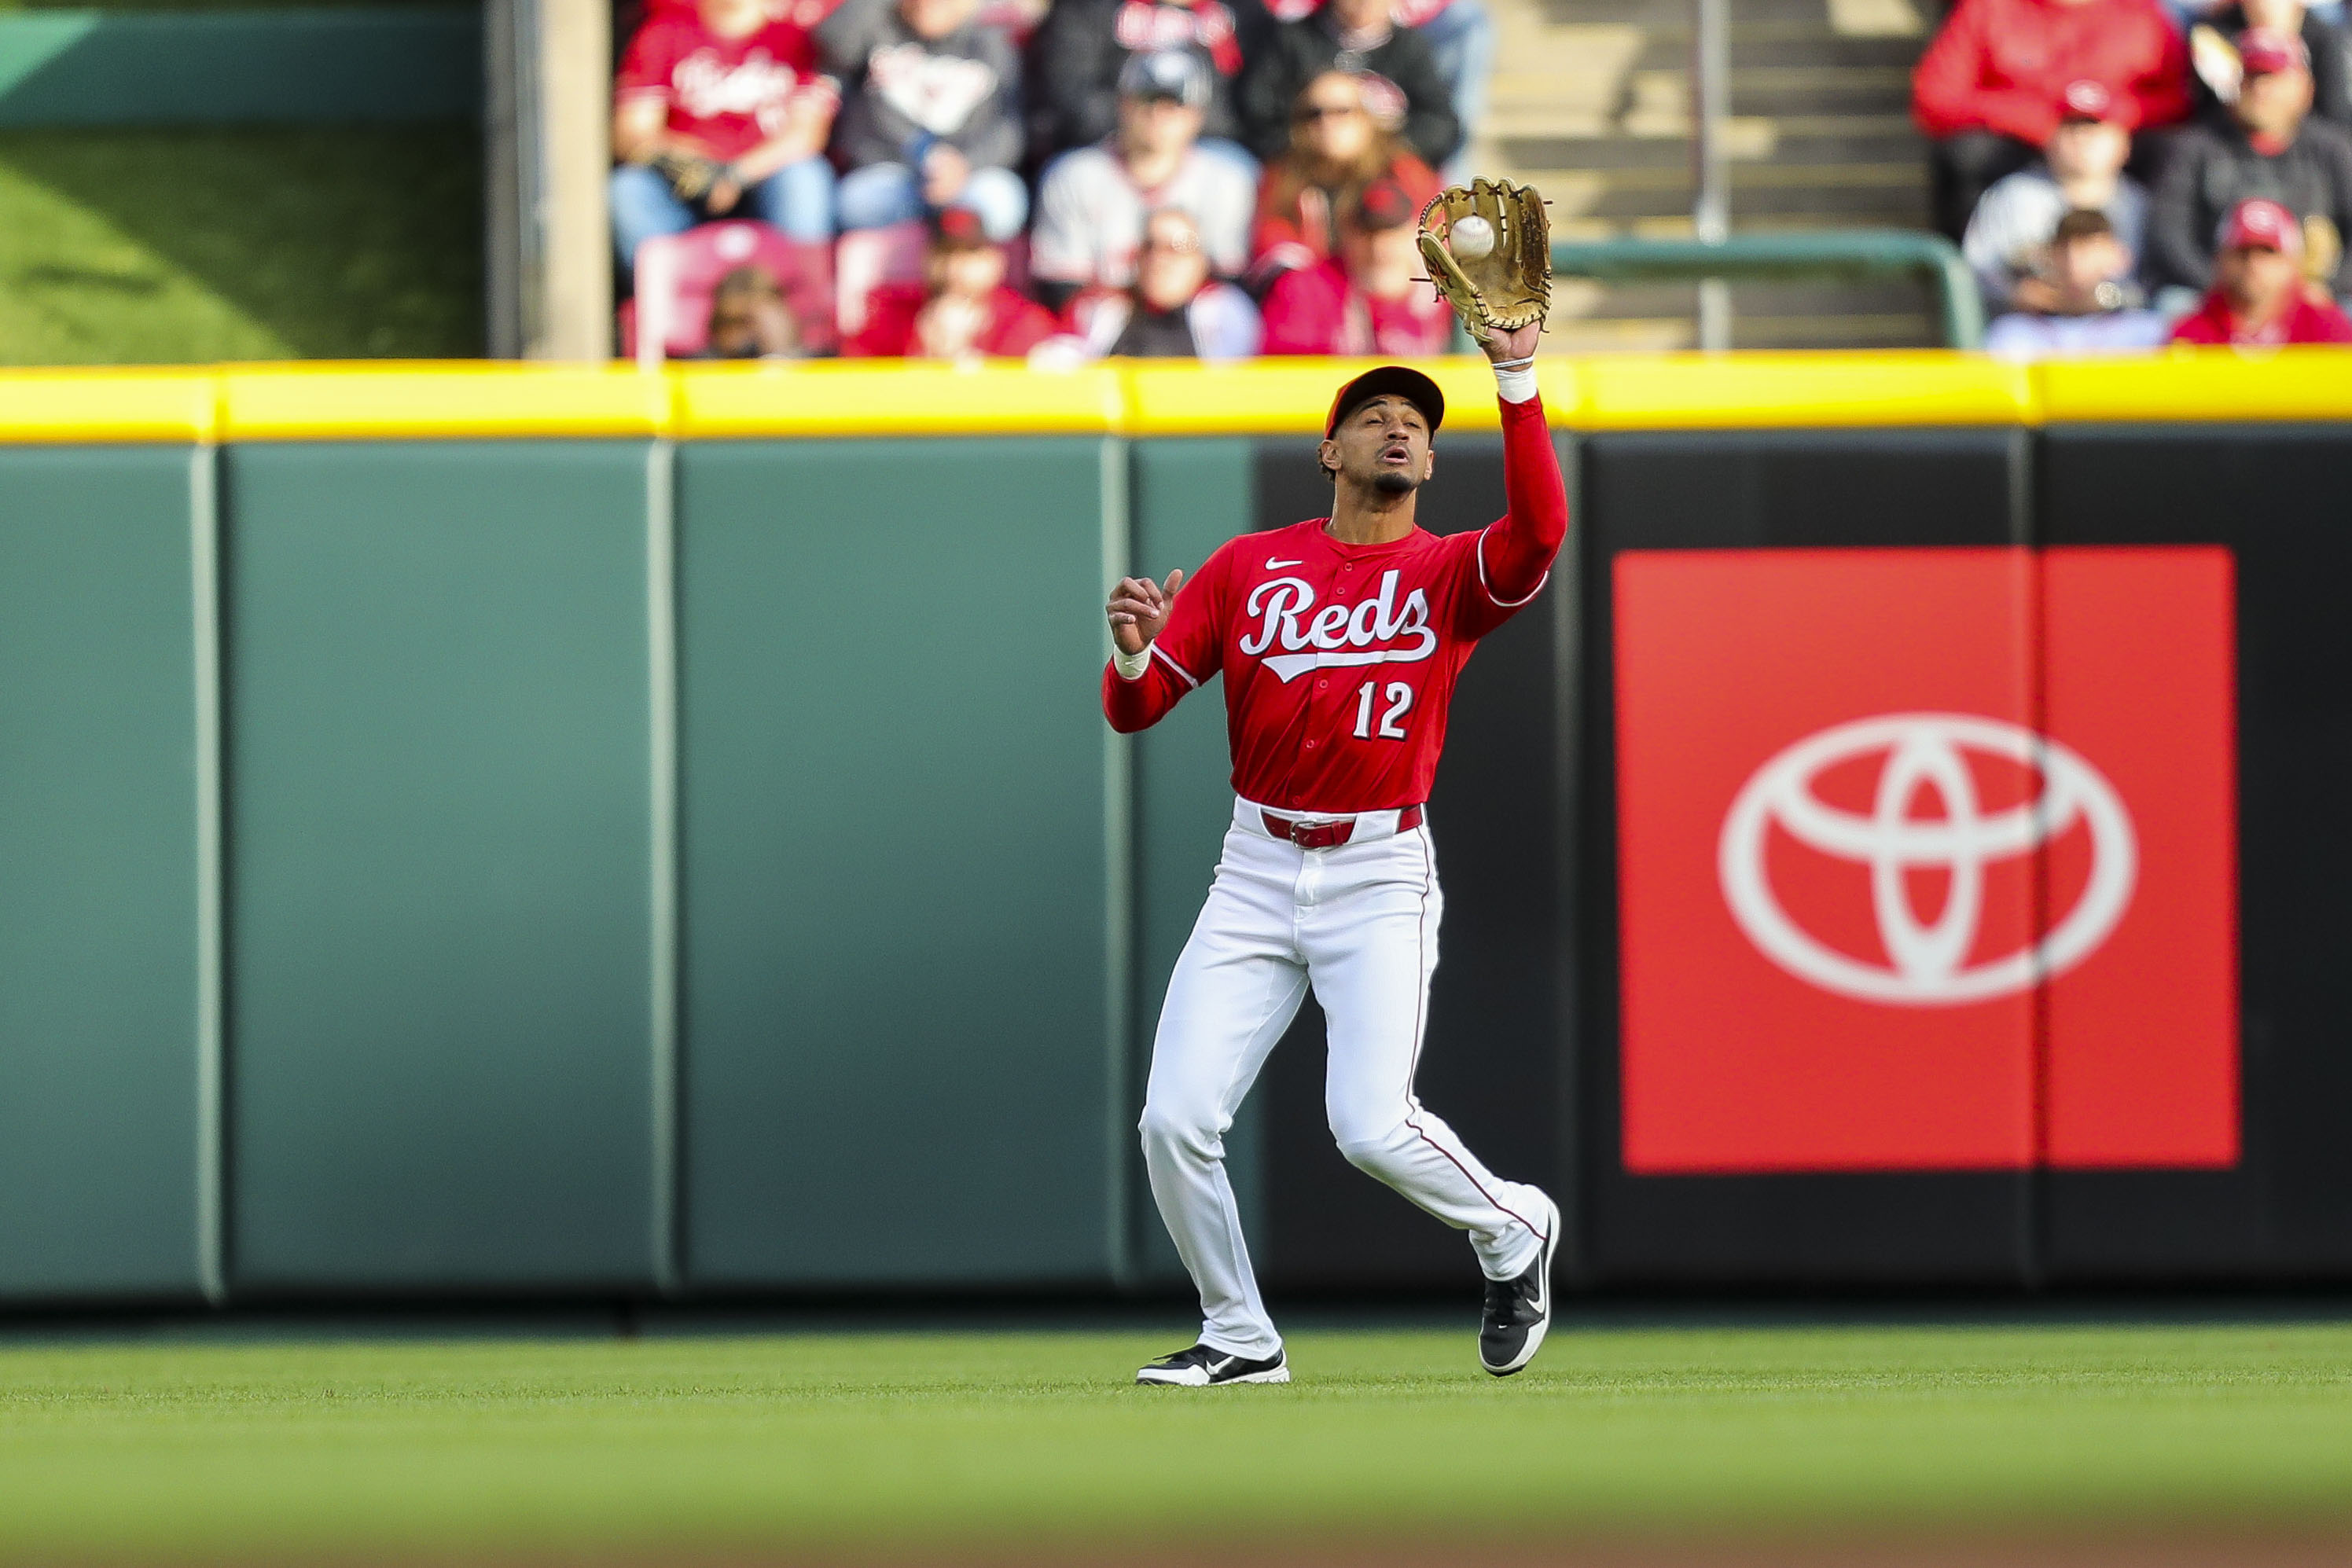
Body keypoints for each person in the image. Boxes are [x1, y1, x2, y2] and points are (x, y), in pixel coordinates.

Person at [1102, 320, 1566, 1388]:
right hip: (1254, 868)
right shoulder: (1249, 566)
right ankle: (1240, 1334)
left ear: (1432, 461)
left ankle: (1511, 1226)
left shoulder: (1448, 572)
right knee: (1173, 1118)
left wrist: (1515, 375)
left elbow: (1539, 533)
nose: (1398, 429)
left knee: (1368, 1125)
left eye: (1414, 423)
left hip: (1378, 871)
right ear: (1331, 450)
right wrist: (1130, 652)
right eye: (1374, 417)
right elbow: (1141, 706)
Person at [1911, 0, 2189, 241]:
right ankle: (1966, 281)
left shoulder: (2142, 12)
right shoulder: (1989, 8)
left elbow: (2179, 97)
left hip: (2117, 148)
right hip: (2019, 148)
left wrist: (2114, 119)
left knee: (2177, 154)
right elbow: (1934, 96)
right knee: (1966, 155)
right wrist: (2031, 119)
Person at [610, 0, 841, 274]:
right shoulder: (665, 31)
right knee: (627, 188)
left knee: (806, 176)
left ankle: (804, 297)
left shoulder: (796, 38)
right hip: (686, 182)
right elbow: (631, 133)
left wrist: (736, 174)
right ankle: (666, 297)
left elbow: (806, 135)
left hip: (764, 179)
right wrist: (694, 163)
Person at [1029, 51, 1259, 310]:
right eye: (1148, 100)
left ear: (1197, 115)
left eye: (1174, 103)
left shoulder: (1226, 181)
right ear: (1123, 104)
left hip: (1193, 328)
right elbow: (1062, 290)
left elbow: (1228, 285)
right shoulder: (1073, 177)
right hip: (1102, 329)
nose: (1158, 114)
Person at [2148, 29, 2352, 302]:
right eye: (2250, 76)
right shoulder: (2195, 148)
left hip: (2311, 299)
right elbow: (2169, 237)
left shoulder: (2332, 150)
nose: (2259, 89)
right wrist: (2226, 291)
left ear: (2305, 87)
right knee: (2173, 304)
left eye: (2272, 77)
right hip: (2218, 299)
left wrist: (2328, 287)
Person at [820, 0, 1030, 241]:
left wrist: (965, 164)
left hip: (967, 176)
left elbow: (1010, 127)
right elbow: (832, 40)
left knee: (1001, 204)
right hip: (892, 175)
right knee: (854, 203)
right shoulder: (878, 28)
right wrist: (925, 157)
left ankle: (955, 249)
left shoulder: (990, 43)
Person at [1964, 81, 2150, 314]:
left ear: (2123, 142)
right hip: (2031, 327)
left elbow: (2155, 284)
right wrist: (2015, 294)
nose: (2082, 138)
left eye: (2094, 127)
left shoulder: (2140, 204)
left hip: (2121, 329)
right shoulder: (2013, 197)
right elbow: (1976, 274)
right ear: (2050, 139)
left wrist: (2111, 298)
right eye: (2070, 126)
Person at [1250, 69, 1442, 288]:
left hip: (1392, 295)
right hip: (1316, 295)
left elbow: (1435, 240)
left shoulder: (1403, 171)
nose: (1327, 122)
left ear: (1367, 117)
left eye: (1342, 111)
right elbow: (1270, 246)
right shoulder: (1283, 177)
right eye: (1314, 114)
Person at [1021, 0, 1255, 166]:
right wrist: (1140, 128)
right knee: (1071, 173)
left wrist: (1175, 130)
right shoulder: (1091, 8)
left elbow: (1251, 101)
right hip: (1106, 148)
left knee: (1238, 170)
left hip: (1206, 149)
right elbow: (1070, 90)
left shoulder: (1241, 11)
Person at [1239, 0, 1460, 171]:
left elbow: (1440, 124)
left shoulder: (1411, 48)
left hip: (1385, 172)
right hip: (1303, 171)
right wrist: (1313, 141)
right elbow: (1258, 110)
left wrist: (1376, 148)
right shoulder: (1294, 40)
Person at [1259, 178, 1454, 354]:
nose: (1378, 248)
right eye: (1367, 233)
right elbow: (1285, 364)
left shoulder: (1449, 292)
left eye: (1390, 233)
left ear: (1415, 233)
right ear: (1347, 233)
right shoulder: (1305, 287)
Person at [844, 209, 1060, 358]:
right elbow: (855, 372)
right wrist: (920, 347)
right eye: (945, 253)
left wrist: (960, 356)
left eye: (969, 254)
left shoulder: (1020, 319)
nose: (955, 267)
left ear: (995, 261)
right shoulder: (894, 312)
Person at [1058, 207, 1264, 358]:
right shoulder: (1098, 310)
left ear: (1201, 261)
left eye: (1178, 246)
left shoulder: (1227, 311)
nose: (1159, 259)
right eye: (1150, 246)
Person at [1984, 209, 2173, 355]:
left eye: (2087, 250)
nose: (2073, 262)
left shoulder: (2145, 332)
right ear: (2050, 255)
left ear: (2118, 255)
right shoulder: (2014, 333)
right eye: (2065, 250)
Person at [2169, 194, 2352, 337]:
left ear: (2293, 262)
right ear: (2220, 259)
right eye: (2242, 251)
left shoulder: (2327, 330)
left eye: (2268, 251)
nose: (2253, 264)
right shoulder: (2191, 335)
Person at [2187, 0, 2351, 130]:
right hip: (2234, 145)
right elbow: (2211, 110)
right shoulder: (2212, 34)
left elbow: (2336, 116)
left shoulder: (2327, 40)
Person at [697, 265, 810, 357]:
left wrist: (780, 351)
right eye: (735, 322)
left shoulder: (816, 366)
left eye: (750, 322)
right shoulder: (698, 368)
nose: (745, 336)